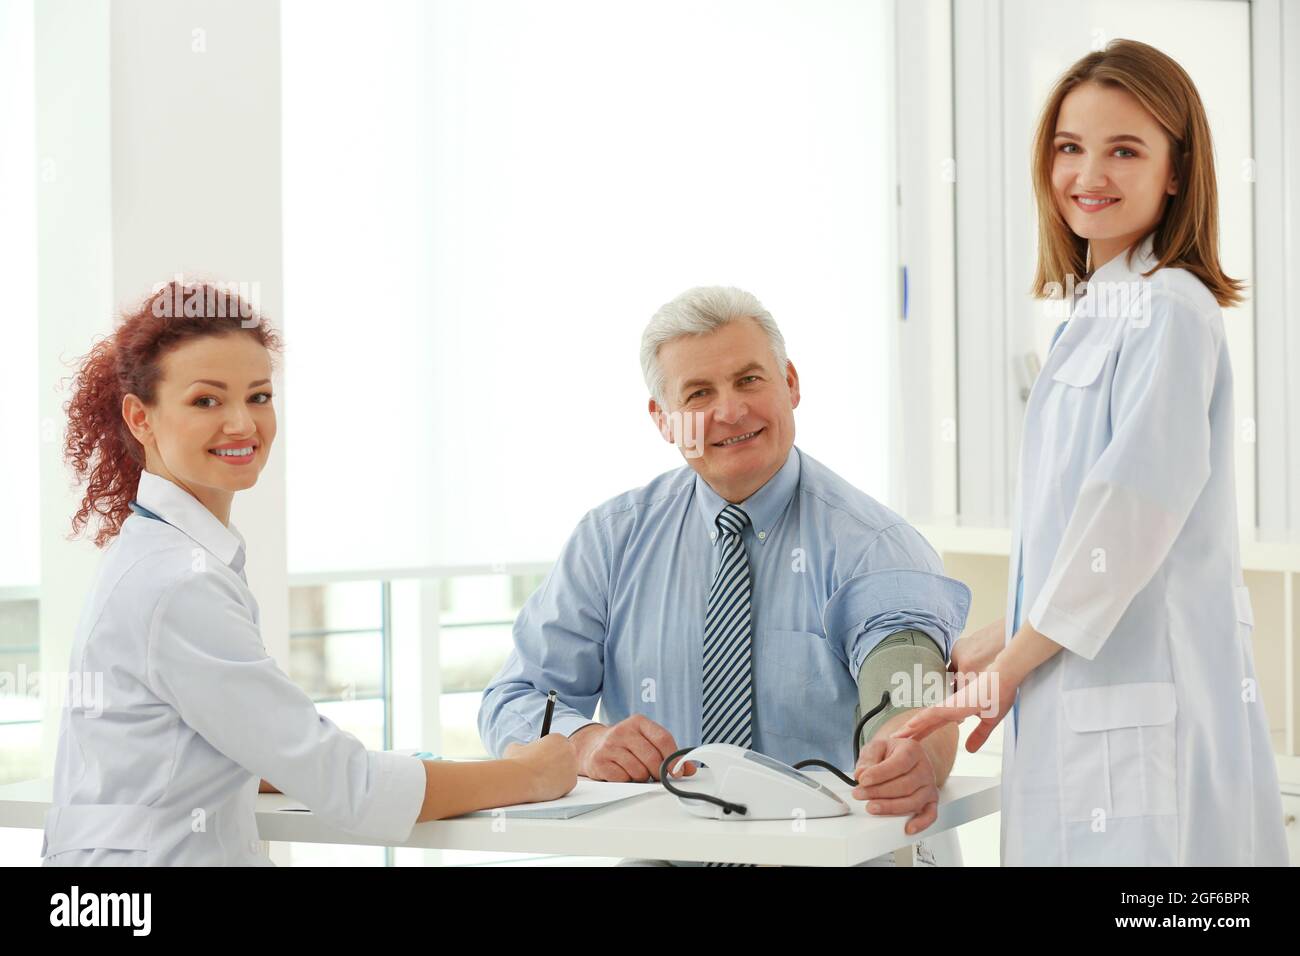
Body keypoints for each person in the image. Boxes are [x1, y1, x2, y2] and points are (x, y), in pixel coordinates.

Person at [894, 40, 1288, 866]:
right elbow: (1086, 538)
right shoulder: (1099, 311)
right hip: (1095, 707)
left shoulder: (1169, 310)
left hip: (1147, 724)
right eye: (1070, 147)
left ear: (1177, 171)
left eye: (1125, 149)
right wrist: (1004, 634)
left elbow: (1131, 521)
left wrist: (1006, 668)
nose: (1088, 174)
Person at [43, 281, 575, 866]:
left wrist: (292, 762)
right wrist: (529, 774)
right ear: (139, 418)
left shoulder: (163, 554)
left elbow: (198, 754)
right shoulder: (178, 581)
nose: (243, 424)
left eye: (260, 396)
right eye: (206, 401)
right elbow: (355, 791)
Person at [478, 285, 971, 864]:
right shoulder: (610, 542)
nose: (730, 411)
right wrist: (584, 743)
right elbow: (513, 696)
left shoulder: (873, 545)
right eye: (698, 393)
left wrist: (911, 753)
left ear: (790, 383)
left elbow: (910, 697)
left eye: (749, 380)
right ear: (663, 420)